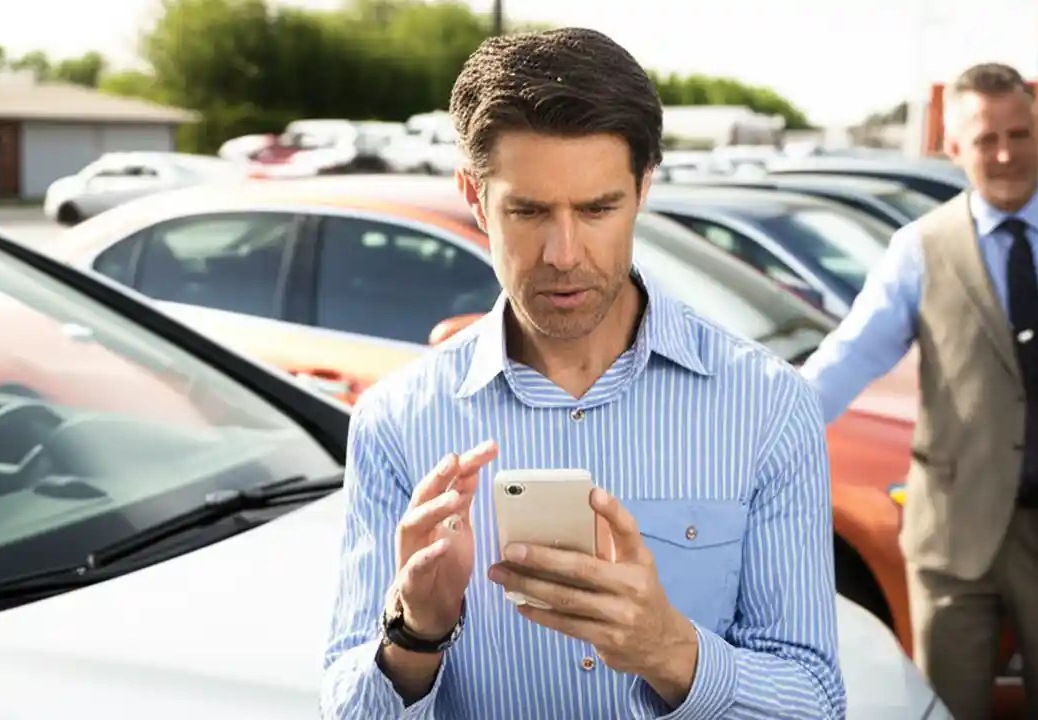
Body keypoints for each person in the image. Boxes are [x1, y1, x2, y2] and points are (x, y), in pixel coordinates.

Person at [319, 27, 846, 720]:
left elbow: (817, 701)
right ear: (475, 198)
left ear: (643, 188)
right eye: (529, 211)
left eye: (598, 209)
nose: (564, 253)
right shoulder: (397, 421)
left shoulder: (769, 405)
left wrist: (669, 651)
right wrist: (415, 631)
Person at [799, 61, 1038, 720]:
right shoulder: (917, 249)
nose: (1006, 153)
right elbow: (846, 359)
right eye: (985, 139)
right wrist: (758, 433)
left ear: (1037, 133)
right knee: (945, 711)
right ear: (953, 148)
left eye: (1018, 133)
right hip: (952, 535)